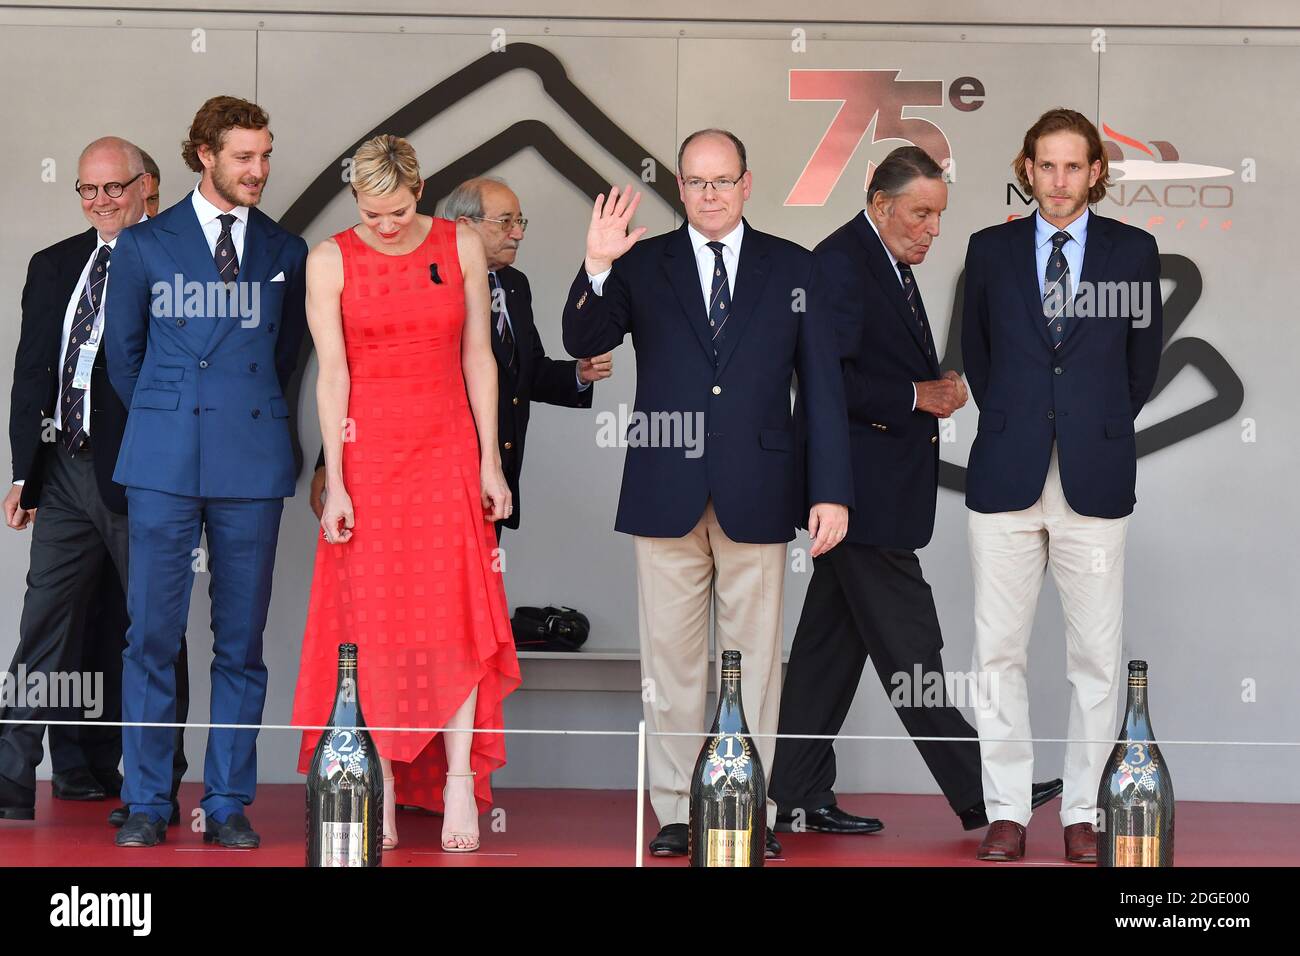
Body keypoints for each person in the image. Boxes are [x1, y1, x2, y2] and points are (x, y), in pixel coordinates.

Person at [562, 129, 854, 859]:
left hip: (761, 487)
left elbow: (821, 387)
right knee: (673, 664)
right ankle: (674, 809)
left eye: (723, 181)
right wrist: (597, 264)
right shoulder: (643, 262)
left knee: (755, 662)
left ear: (748, 184)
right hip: (666, 487)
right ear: (680, 188)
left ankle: (750, 806)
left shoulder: (794, 267)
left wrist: (832, 491)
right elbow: (582, 339)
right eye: (696, 182)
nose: (711, 195)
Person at [773, 146, 1062, 836]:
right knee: (913, 651)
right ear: (880, 204)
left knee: (826, 652)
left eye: (939, 216)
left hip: (876, 493)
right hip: (856, 497)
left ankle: (793, 791)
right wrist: (915, 394)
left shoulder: (880, 262)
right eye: (921, 213)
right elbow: (822, 379)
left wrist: (925, 392)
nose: (933, 229)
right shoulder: (840, 264)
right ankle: (988, 793)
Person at [291, 135, 520, 853]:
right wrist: (336, 484)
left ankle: (457, 783)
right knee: (375, 628)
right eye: (370, 210)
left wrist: (490, 463)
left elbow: (479, 356)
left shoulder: (460, 247)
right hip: (370, 453)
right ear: (353, 197)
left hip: (448, 449)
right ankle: (380, 786)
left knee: (453, 618)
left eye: (397, 210)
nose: (385, 225)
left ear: (419, 192)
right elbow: (333, 376)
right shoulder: (328, 259)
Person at [105, 95, 309, 848]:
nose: (259, 170)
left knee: (241, 641)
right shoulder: (145, 244)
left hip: (251, 462)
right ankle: (150, 800)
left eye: (265, 155)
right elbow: (123, 359)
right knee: (151, 636)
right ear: (205, 156)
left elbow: (286, 361)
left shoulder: (287, 251)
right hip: (161, 460)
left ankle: (226, 801)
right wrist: (169, 411)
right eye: (244, 157)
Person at [961, 108, 1163, 862]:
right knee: (997, 655)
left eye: (1072, 166)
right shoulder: (990, 250)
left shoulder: (1133, 250)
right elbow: (978, 356)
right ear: (1027, 167)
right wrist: (1027, 421)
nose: (1058, 180)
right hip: (1007, 473)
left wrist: (1088, 420)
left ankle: (1082, 811)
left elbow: (1142, 364)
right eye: (1046, 165)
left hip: (1095, 474)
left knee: (1095, 659)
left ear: (1096, 172)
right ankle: (1008, 810)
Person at [308, 175, 612, 536]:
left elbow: (521, 371)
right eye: (506, 222)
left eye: (520, 221)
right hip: (418, 463)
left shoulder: (515, 285)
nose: (518, 233)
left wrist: (576, 375)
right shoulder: (418, 280)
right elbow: (369, 371)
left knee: (470, 584)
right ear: (466, 226)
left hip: (489, 472)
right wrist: (331, 464)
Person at [0, 137, 147, 821]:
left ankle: (150, 788)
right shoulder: (54, 263)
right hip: (62, 470)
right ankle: (8, 780)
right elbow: (33, 374)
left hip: (140, 473)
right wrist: (25, 474)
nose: (101, 202)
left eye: (114, 188)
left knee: (151, 630)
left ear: (146, 186)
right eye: (88, 190)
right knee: (42, 627)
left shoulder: (172, 263)